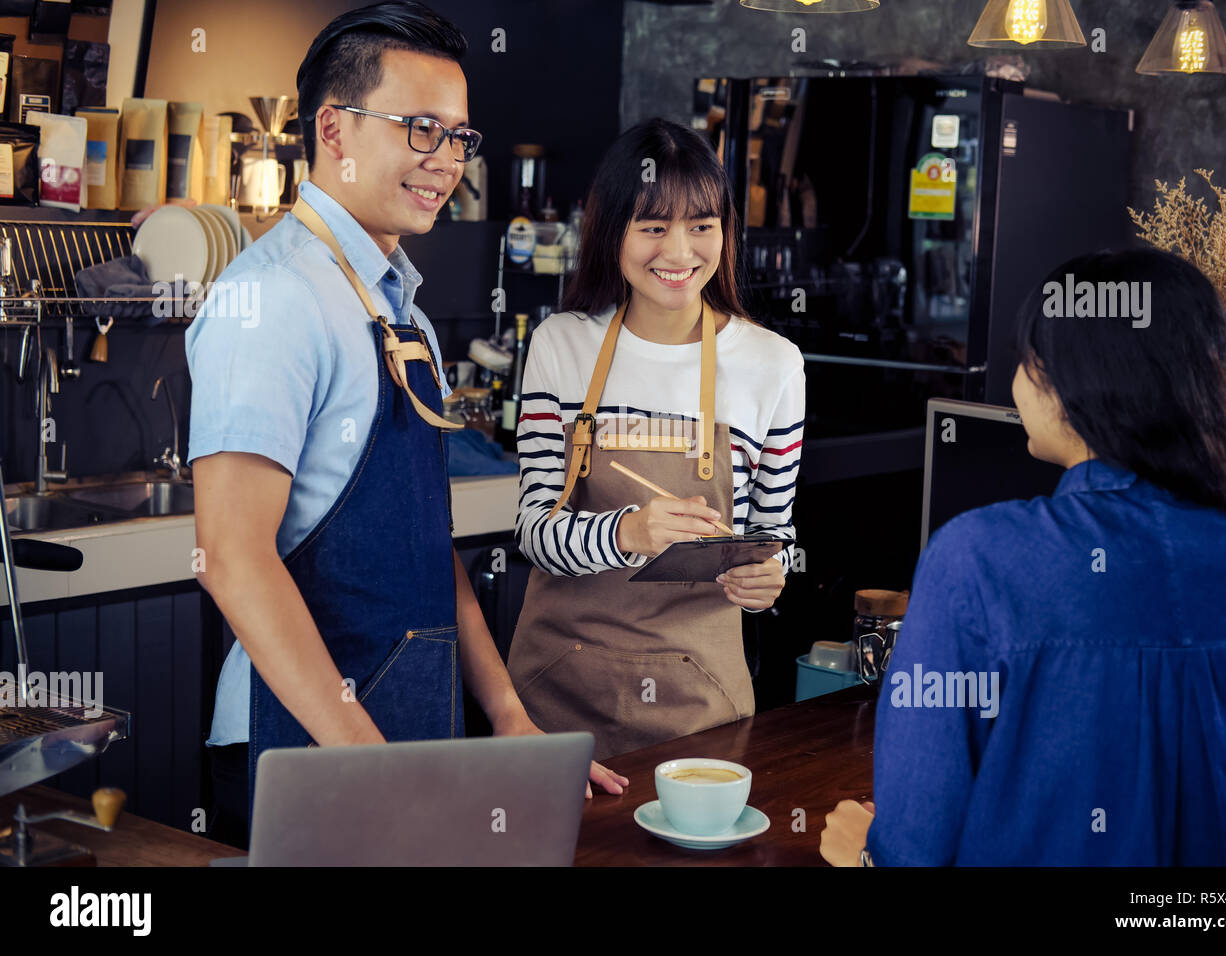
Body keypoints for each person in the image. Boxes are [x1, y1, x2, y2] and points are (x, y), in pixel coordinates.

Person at [187, 2, 624, 849]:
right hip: (311, 753)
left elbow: (426, 543)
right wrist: (369, 766)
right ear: (335, 129)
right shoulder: (272, 302)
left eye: (459, 137)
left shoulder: (402, 315)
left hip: (407, 737)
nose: (446, 162)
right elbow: (232, 558)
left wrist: (508, 717)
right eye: (421, 129)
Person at [820, 248, 1226, 865]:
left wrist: (866, 855)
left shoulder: (976, 560)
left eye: (1026, 360)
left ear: (1073, 384)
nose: (1017, 381)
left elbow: (917, 843)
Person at [506, 118, 806, 760]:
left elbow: (773, 537)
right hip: (554, 697)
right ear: (612, 230)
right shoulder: (561, 344)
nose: (679, 253)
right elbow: (533, 533)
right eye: (652, 228)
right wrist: (628, 534)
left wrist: (767, 580)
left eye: (701, 226)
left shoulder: (773, 364)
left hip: (697, 707)